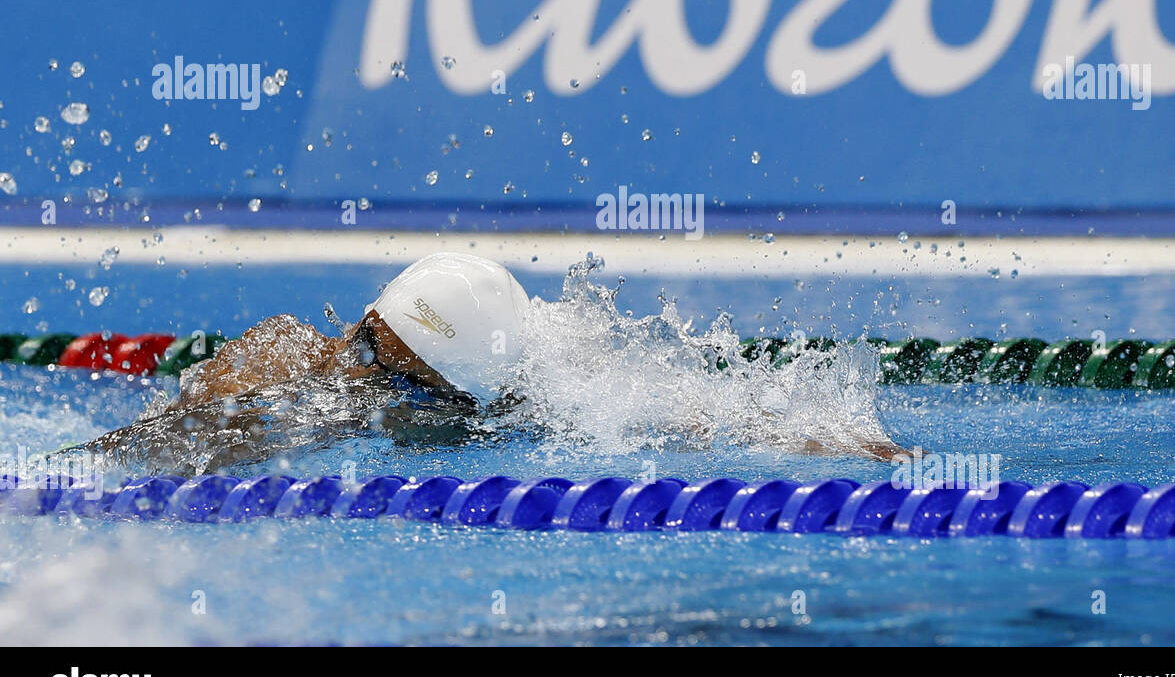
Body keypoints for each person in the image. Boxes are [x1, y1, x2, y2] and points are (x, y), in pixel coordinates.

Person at [82, 252, 905, 472]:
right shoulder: (288, 368)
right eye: (367, 343)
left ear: (465, 400)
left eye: (402, 375)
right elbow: (140, 454)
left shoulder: (525, 397)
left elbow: (678, 412)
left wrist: (826, 437)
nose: (363, 374)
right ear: (365, 318)